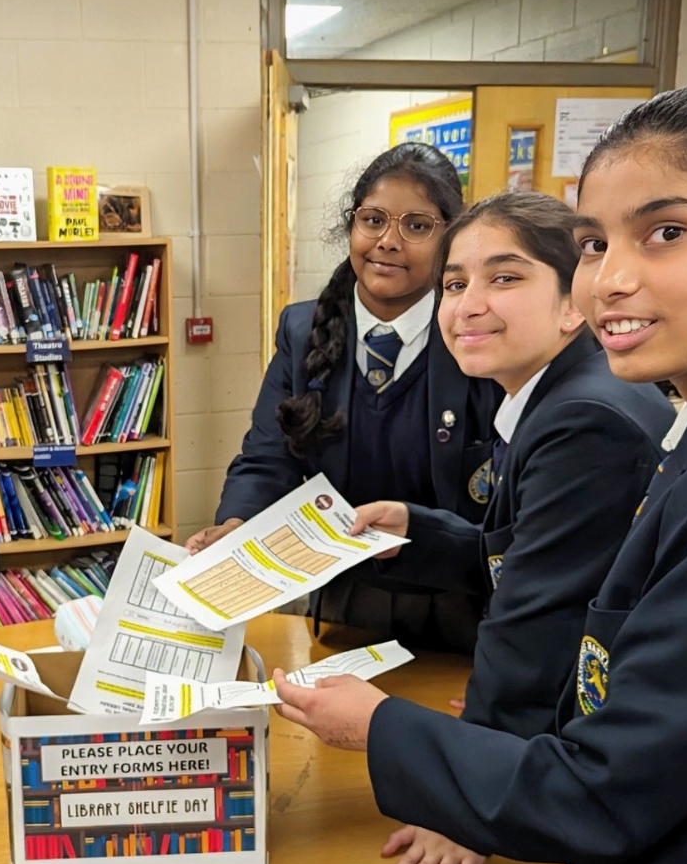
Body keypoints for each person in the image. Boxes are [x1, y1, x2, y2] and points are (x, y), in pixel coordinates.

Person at [273, 82, 687, 864]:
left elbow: (596, 747)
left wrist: (392, 738)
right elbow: (557, 574)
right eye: (595, 243)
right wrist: (430, 531)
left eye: (666, 232)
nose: (614, 278)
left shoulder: (658, 440)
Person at [358, 191, 671, 864]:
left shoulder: (584, 418)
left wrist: (461, 798)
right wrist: (418, 530)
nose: (467, 305)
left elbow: (537, 618)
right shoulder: (555, 395)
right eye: (455, 283)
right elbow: (530, 553)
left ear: (574, 303)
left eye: (505, 277)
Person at [188, 143, 500, 652]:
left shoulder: (478, 331)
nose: (388, 242)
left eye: (417, 226)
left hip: (462, 605)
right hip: (342, 601)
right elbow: (269, 456)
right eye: (373, 220)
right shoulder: (302, 328)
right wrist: (235, 527)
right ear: (351, 227)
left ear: (450, 239)